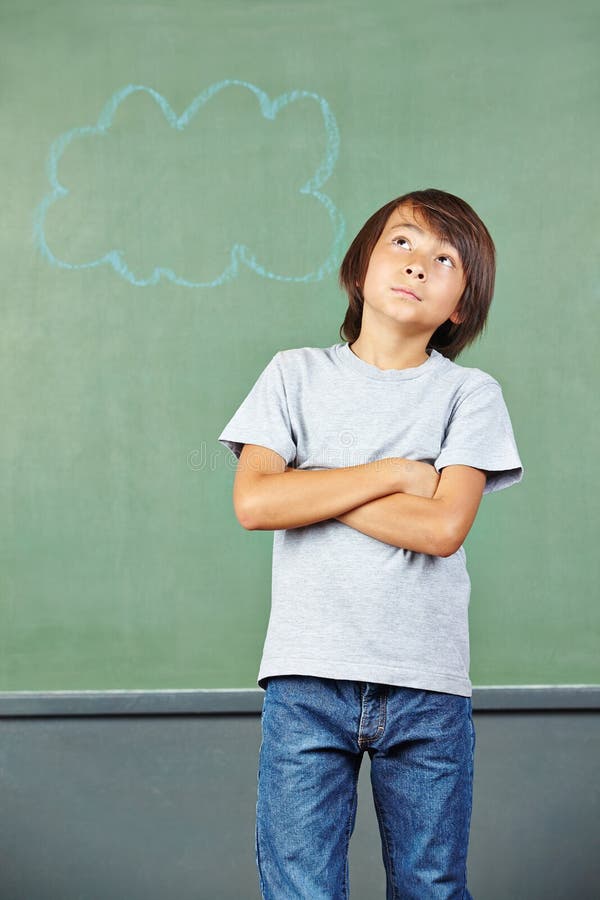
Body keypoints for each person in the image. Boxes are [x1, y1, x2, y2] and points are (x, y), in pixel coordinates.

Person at [218, 188, 524, 899]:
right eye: (404, 242)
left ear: (460, 306)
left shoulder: (470, 396)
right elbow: (258, 501)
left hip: (427, 685)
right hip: (305, 677)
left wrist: (313, 485)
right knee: (300, 888)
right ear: (360, 269)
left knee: (432, 886)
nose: (418, 264)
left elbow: (444, 528)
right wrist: (393, 475)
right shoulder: (292, 375)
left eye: (445, 259)